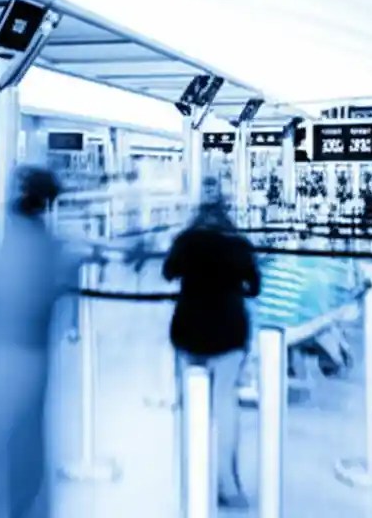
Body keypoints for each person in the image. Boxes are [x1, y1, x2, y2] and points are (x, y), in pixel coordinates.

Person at [0, 166, 75, 518]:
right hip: (31, 351)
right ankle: (26, 506)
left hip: (12, 350)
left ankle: (9, 506)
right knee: (25, 435)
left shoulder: (18, 239)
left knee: (4, 436)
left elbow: (7, 296)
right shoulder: (44, 242)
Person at [163, 178, 260, 508]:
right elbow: (254, 287)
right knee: (225, 404)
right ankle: (227, 484)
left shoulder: (186, 240)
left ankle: (191, 476)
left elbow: (168, 272)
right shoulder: (239, 244)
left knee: (191, 403)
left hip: (188, 331)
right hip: (229, 333)